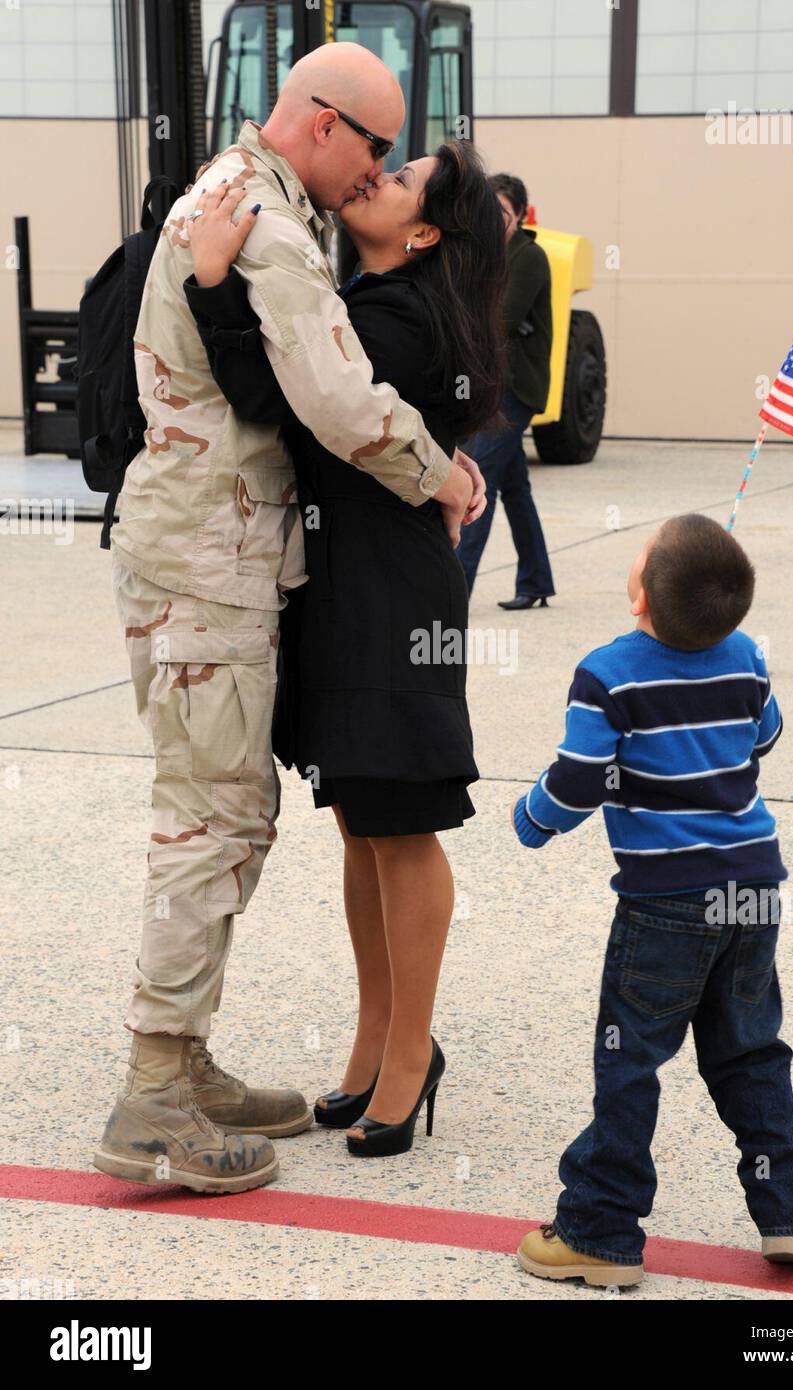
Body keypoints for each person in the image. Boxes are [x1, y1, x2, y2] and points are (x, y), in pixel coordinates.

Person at [93, 42, 483, 1195]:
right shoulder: (258, 218)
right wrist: (442, 474)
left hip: (212, 558)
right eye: (375, 145)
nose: (377, 169)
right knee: (210, 824)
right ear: (323, 123)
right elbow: (331, 396)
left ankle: (186, 1061)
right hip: (205, 565)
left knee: (228, 814)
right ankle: (154, 1093)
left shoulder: (253, 200)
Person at [181, 139, 507, 1158]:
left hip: (386, 597)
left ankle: (408, 1054)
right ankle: (375, 1044)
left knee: (401, 824)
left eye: (402, 177)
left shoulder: (396, 317)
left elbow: (284, 402)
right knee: (364, 824)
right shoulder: (385, 302)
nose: (377, 174)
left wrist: (209, 287)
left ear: (423, 232)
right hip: (354, 587)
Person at [510, 513, 793, 1287]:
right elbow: (764, 736)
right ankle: (791, 1215)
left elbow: (579, 778)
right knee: (750, 1050)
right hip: (752, 888)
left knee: (631, 1062)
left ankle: (599, 1229)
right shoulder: (747, 656)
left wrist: (533, 818)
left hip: (665, 904)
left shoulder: (609, 672)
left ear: (641, 594)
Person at [456, 173, 555, 609]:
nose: (494, 221)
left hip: (516, 386)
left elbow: (504, 318)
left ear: (517, 215)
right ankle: (535, 580)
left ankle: (455, 592)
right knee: (515, 485)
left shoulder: (529, 257)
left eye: (502, 213)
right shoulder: (483, 255)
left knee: (481, 478)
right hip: (494, 383)